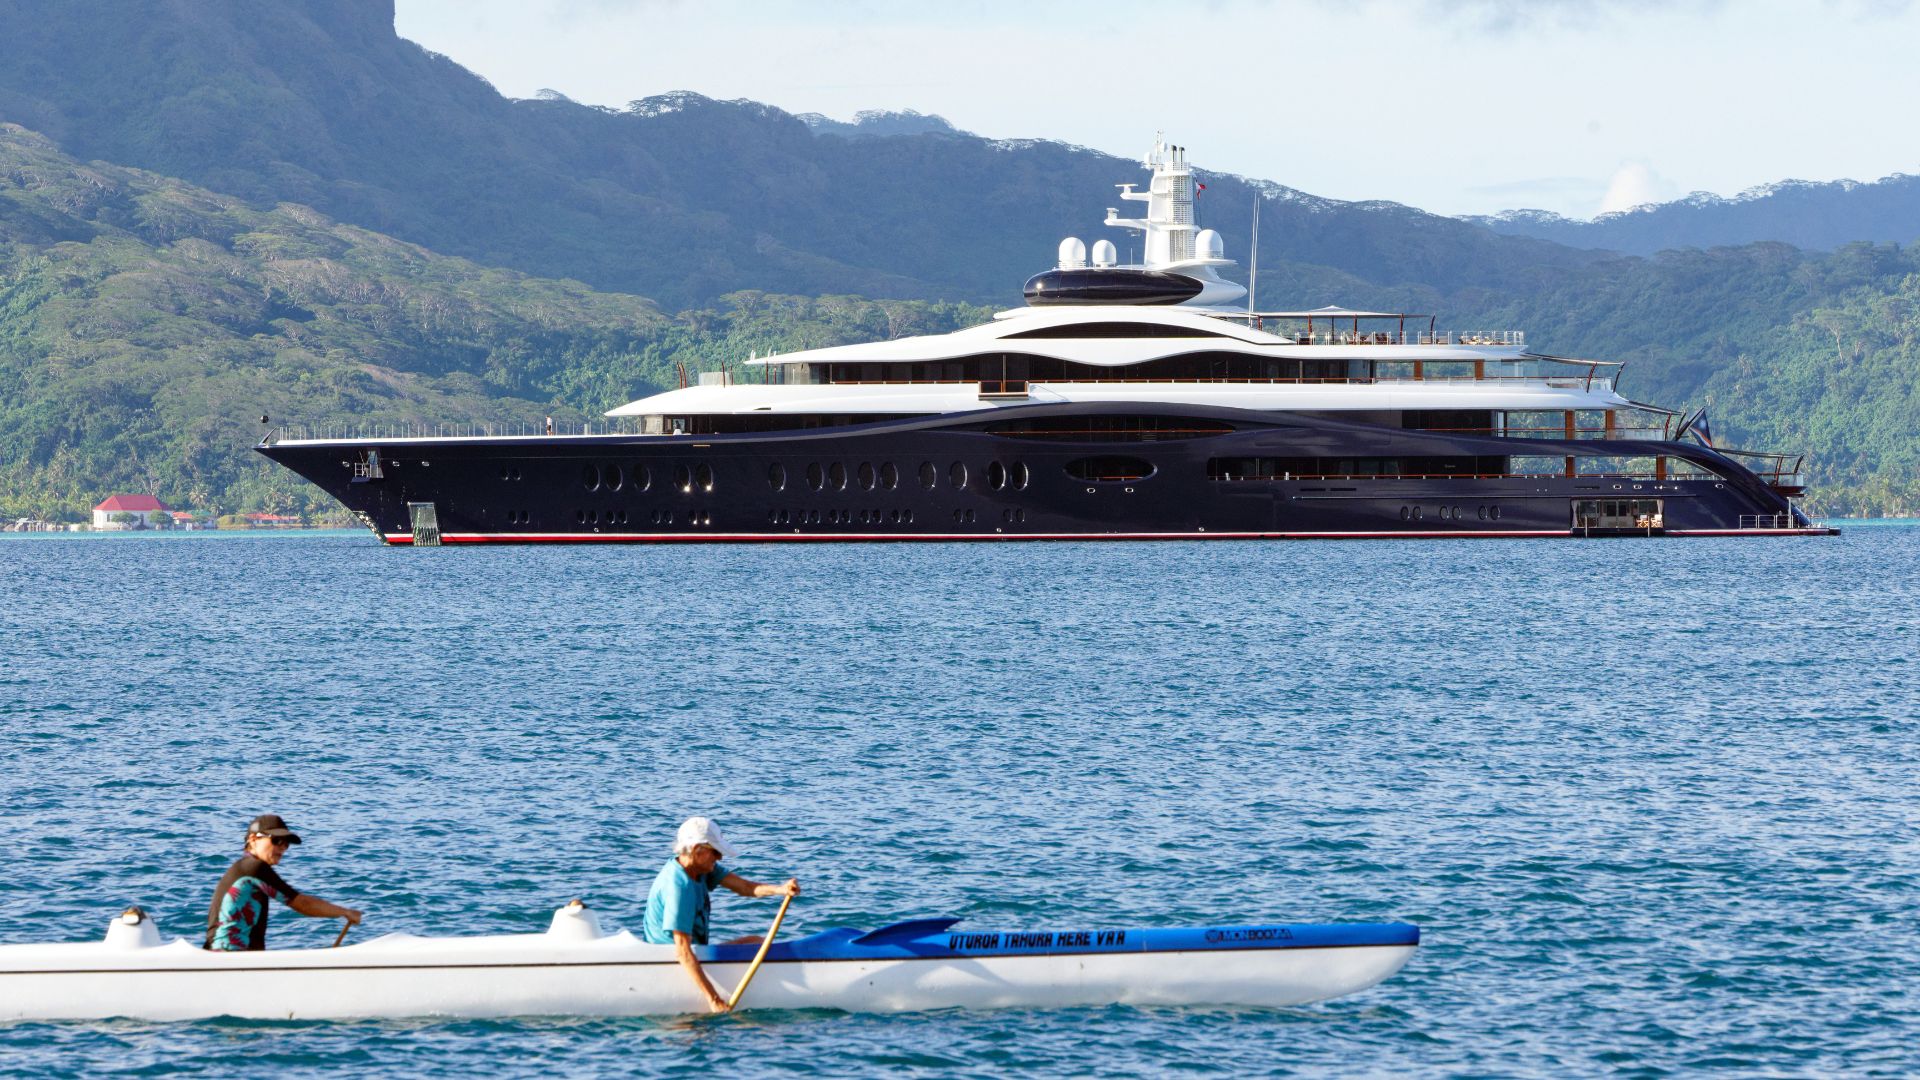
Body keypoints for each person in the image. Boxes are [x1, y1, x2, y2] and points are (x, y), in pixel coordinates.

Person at [642, 816, 800, 1013]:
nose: (719, 858)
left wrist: (781, 890)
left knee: (756, 942)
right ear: (696, 849)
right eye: (715, 852)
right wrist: (714, 1000)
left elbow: (745, 887)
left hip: (695, 951)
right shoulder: (680, 887)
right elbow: (682, 951)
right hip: (670, 960)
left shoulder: (699, 869)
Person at [204, 814, 363, 952]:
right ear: (253, 839)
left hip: (233, 957)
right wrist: (346, 912)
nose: (282, 848)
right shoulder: (254, 868)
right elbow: (302, 904)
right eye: (276, 840)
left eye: (286, 843)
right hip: (227, 957)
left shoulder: (245, 868)